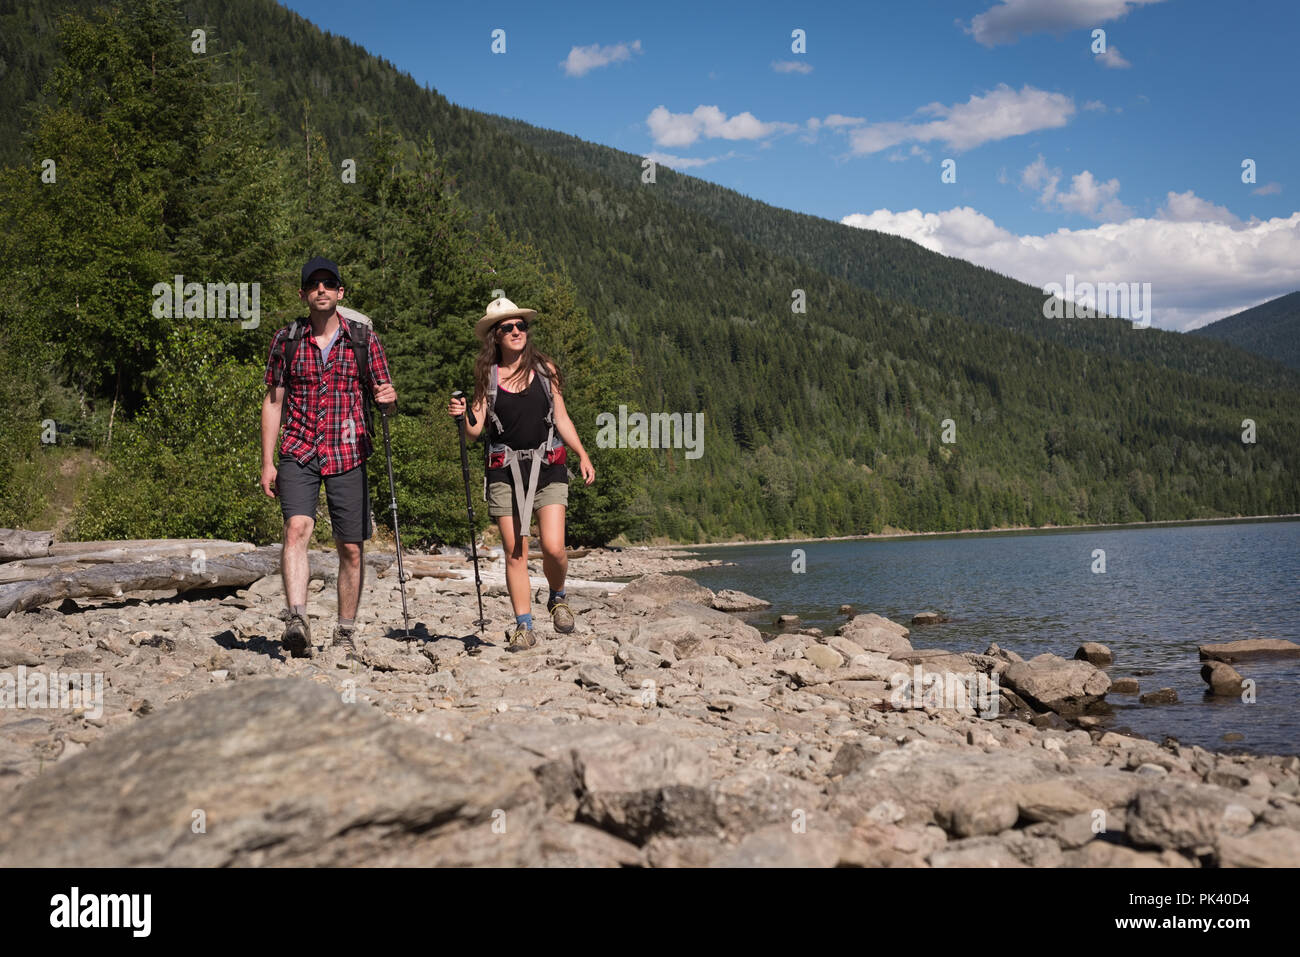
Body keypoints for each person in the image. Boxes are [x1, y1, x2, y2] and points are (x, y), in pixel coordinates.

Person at [260, 256, 397, 662]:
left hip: (349, 451)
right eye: (313, 285)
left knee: (350, 548)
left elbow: (384, 395)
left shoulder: (362, 339)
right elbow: (273, 403)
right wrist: (268, 461)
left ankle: (345, 633)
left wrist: (389, 401)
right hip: (299, 448)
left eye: (328, 284)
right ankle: (297, 620)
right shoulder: (286, 341)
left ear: (340, 293)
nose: (321, 289)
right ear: (303, 294)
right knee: (296, 529)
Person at [448, 297, 595, 651]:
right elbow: (475, 430)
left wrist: (582, 453)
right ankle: (524, 626)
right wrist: (462, 414)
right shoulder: (487, 376)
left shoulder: (546, 370)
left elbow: (561, 417)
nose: (516, 331)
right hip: (504, 471)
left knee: (555, 548)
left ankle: (557, 597)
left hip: (549, 465)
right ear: (495, 337)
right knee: (516, 551)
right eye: (507, 328)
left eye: (520, 326)